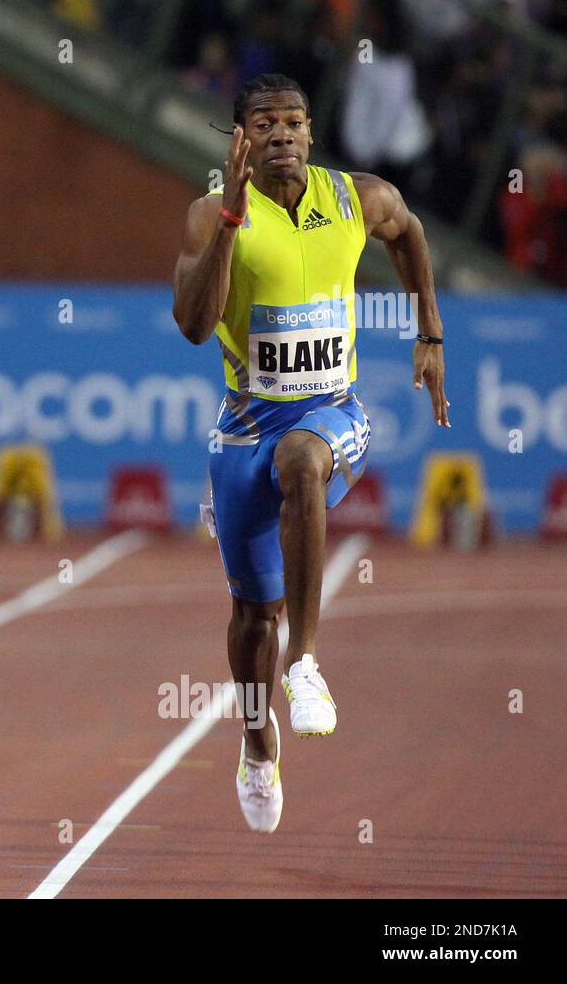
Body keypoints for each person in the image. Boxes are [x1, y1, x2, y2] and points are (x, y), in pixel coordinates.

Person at [171, 73, 448, 833]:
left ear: (313, 134)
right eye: (265, 124)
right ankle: (258, 741)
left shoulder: (355, 198)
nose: (284, 134)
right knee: (250, 615)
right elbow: (194, 325)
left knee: (302, 459)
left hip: (332, 413)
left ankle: (307, 663)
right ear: (241, 140)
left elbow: (411, 231)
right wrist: (231, 216)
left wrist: (429, 329)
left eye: (295, 121)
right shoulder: (210, 215)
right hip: (241, 430)